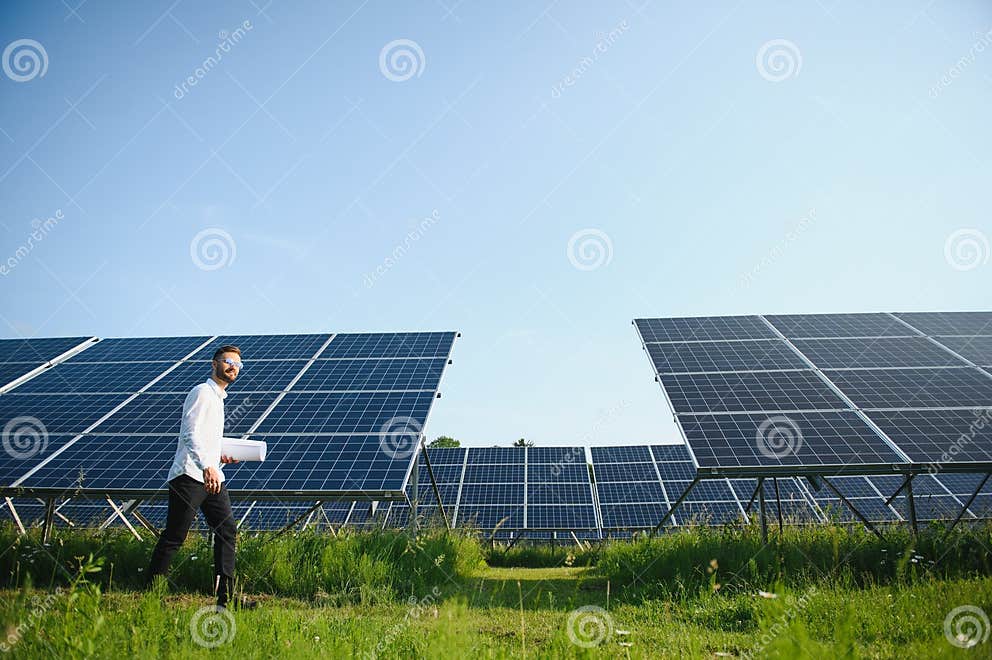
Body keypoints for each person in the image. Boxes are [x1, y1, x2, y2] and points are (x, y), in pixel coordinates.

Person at [148, 344, 256, 609]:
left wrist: (221, 456)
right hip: (190, 476)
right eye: (228, 361)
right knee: (175, 536)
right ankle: (152, 594)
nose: (233, 367)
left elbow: (207, 441)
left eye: (238, 365)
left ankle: (226, 598)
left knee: (227, 530)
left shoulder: (218, 399)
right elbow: (190, 433)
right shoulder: (202, 393)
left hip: (213, 477)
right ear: (214, 363)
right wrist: (207, 465)